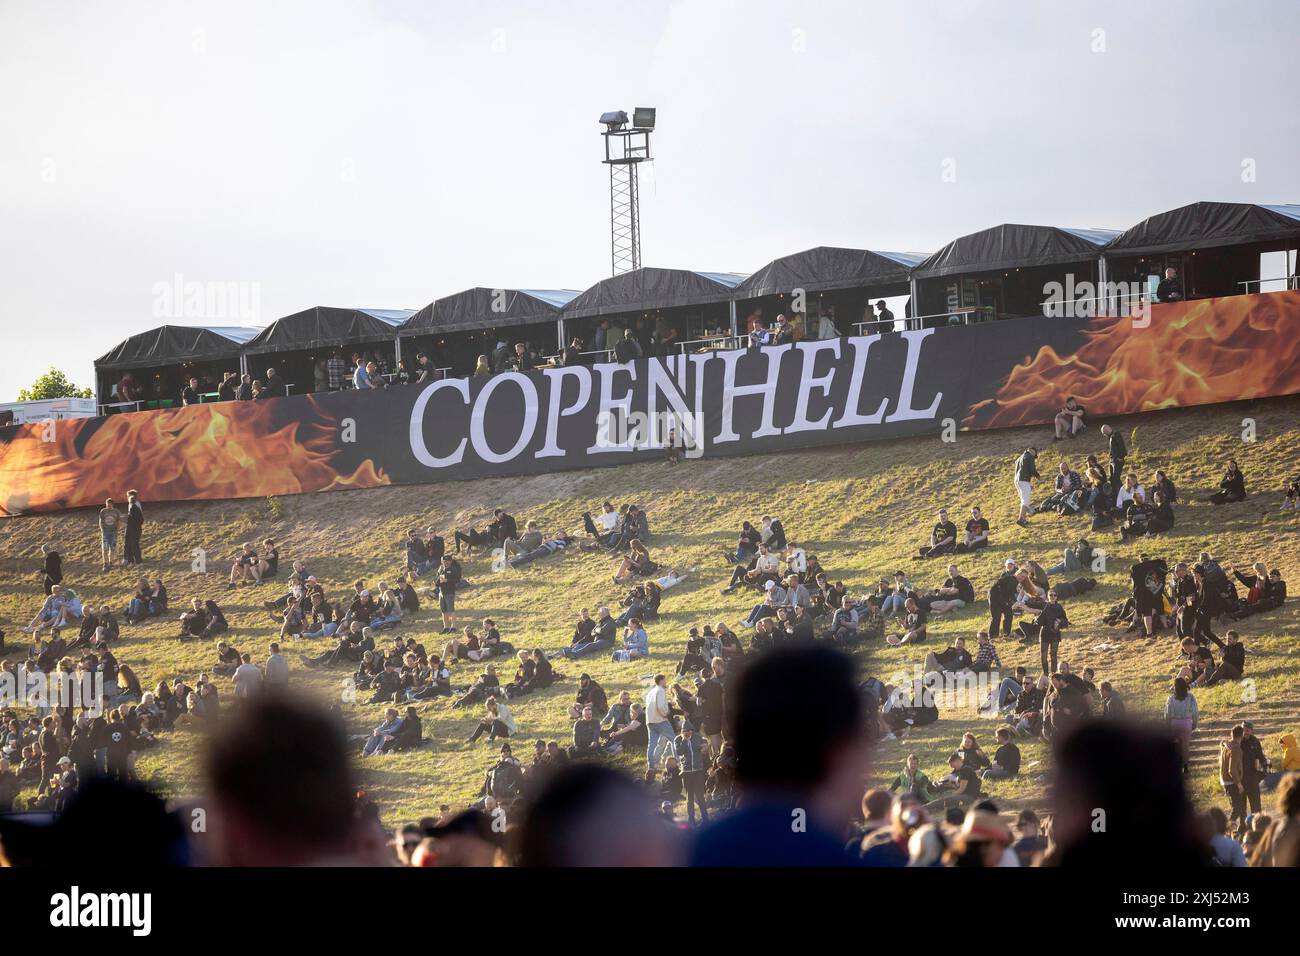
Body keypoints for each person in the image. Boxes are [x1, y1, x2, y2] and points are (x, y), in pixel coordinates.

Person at [672, 723, 709, 826]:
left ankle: (705, 819)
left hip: (698, 771)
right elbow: (679, 752)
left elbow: (704, 751)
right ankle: (691, 820)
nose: (687, 733)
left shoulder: (698, 737)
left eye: (689, 731)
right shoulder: (678, 739)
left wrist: (705, 750)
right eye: (684, 731)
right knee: (690, 797)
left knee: (700, 796)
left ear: (692, 730)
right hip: (686, 772)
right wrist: (684, 740)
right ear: (681, 731)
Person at [1164, 676, 1199, 774]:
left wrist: (1167, 725)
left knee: (1175, 745)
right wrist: (1195, 723)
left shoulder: (1170, 698)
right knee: (1185, 746)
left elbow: (1167, 713)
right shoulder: (1190, 697)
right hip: (1186, 723)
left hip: (1174, 723)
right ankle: (1185, 766)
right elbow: (1195, 712)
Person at [1220, 723, 1247, 827]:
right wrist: (1239, 783)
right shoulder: (1236, 749)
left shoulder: (1227, 746)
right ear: (1242, 735)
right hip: (1232, 782)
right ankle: (1226, 829)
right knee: (1238, 809)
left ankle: (1231, 830)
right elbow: (1232, 769)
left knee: (1236, 807)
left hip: (1225, 781)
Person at [1013, 446, 1039, 527]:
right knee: (1025, 501)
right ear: (1033, 451)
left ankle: (1023, 519)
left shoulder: (1019, 458)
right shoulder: (1030, 456)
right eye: (1035, 455)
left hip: (1017, 481)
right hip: (1024, 480)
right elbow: (1032, 469)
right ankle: (1021, 519)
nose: (1034, 457)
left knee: (1023, 500)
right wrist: (1038, 476)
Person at [1101, 423, 1126, 491]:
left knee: (1116, 478)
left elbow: (1121, 446)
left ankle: (1122, 491)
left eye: (1105, 431)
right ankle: (1115, 491)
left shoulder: (1116, 434)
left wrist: (1121, 456)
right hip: (1113, 460)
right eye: (1104, 432)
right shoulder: (1111, 436)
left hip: (1117, 460)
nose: (1105, 433)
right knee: (1112, 478)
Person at [98, 498, 121, 571]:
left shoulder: (116, 511)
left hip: (113, 532)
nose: (108, 507)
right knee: (105, 548)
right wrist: (102, 530)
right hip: (105, 532)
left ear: (112, 505)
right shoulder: (103, 511)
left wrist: (117, 530)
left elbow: (118, 521)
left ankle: (111, 562)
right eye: (107, 505)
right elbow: (100, 521)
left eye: (110, 505)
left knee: (112, 548)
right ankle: (105, 563)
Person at [123, 490, 144, 565]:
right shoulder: (132, 505)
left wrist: (128, 518)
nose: (127, 497)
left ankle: (135, 561)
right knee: (131, 544)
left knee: (133, 544)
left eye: (128, 496)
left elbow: (137, 518)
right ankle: (130, 560)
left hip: (133, 528)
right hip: (133, 527)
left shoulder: (134, 505)